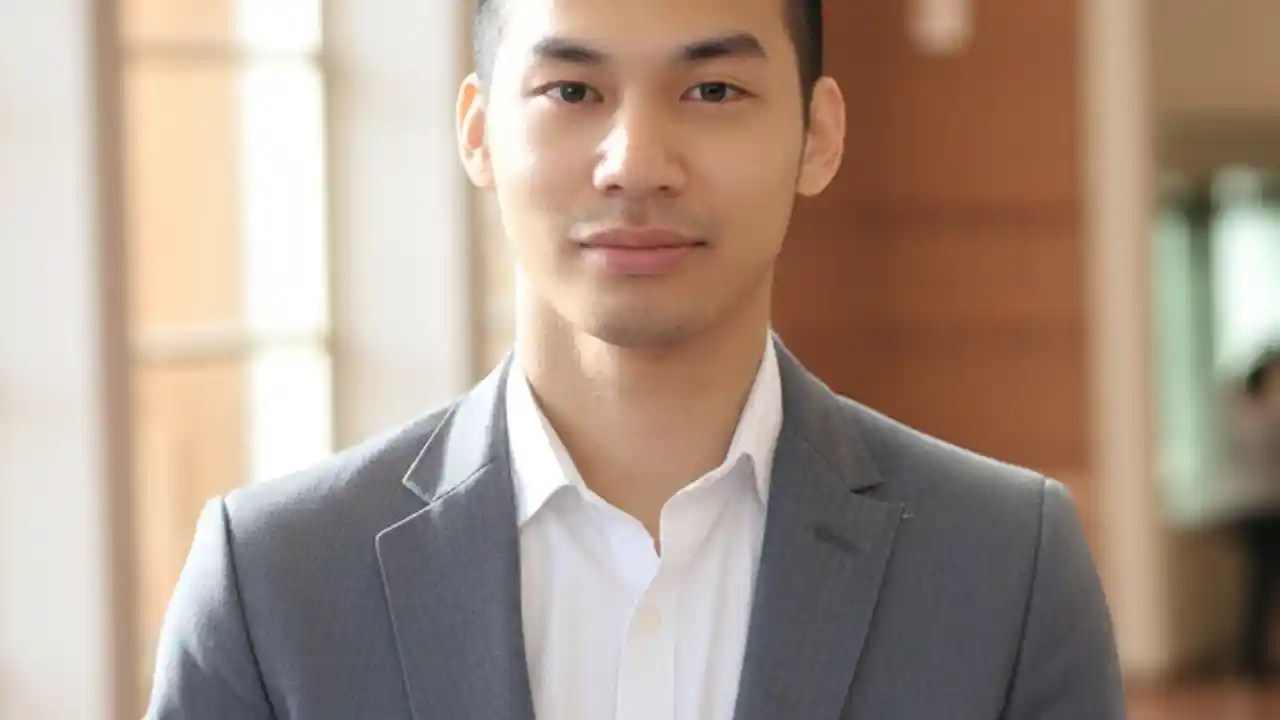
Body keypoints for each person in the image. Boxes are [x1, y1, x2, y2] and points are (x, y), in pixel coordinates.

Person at [147, 0, 1123, 717]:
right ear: (479, 132)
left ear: (816, 136)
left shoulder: (1001, 569)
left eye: (711, 89)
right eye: (571, 89)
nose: (634, 159)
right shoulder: (273, 585)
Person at [1230, 347, 1280, 679]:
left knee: (1260, 585)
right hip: (1263, 510)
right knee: (1262, 586)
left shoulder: (1238, 414)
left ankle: (1252, 655)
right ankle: (1252, 658)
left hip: (1250, 509)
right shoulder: (1263, 418)